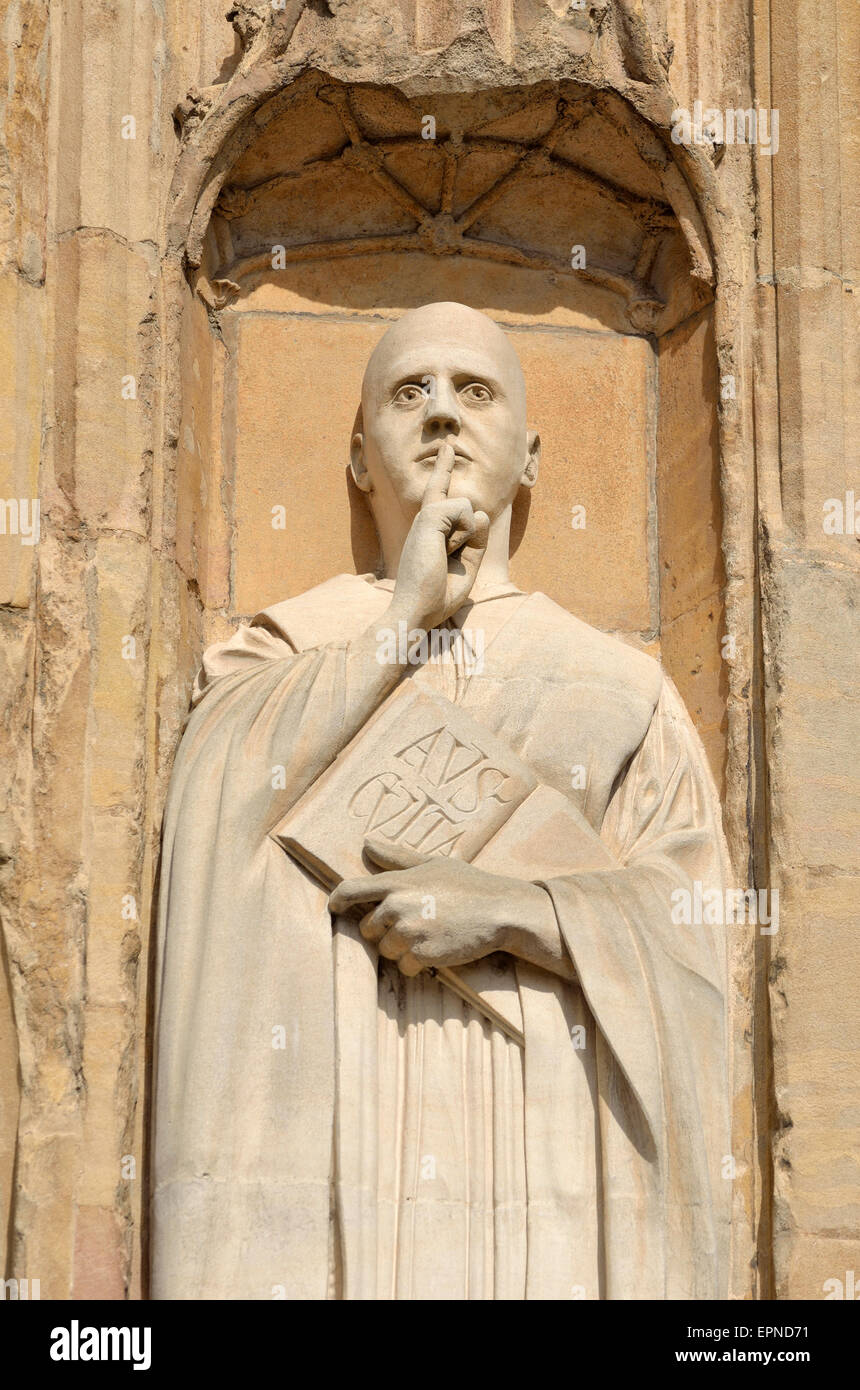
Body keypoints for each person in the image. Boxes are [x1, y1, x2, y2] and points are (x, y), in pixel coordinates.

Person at [152, 302, 731, 1299]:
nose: (440, 416)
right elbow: (213, 827)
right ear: (357, 455)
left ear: (531, 454)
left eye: (474, 391)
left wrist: (514, 912)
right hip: (334, 1129)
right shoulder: (277, 655)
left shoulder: (615, 687)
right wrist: (401, 617)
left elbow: (692, 937)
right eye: (408, 392)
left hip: (546, 1143)